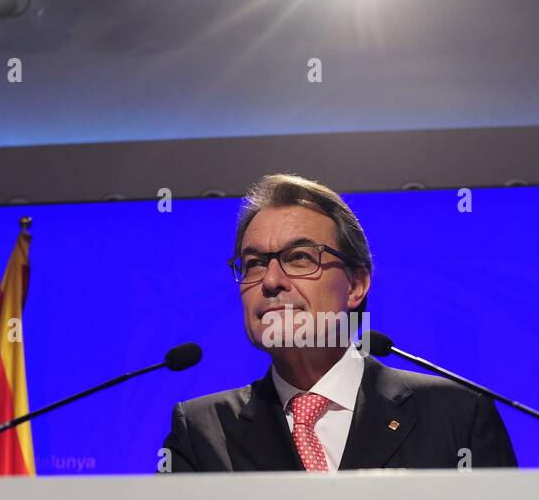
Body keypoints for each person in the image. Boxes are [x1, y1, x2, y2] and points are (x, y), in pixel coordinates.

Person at [162, 173, 517, 472]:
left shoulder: (456, 414)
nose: (270, 281)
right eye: (254, 263)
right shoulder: (202, 431)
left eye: (299, 258)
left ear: (356, 285)